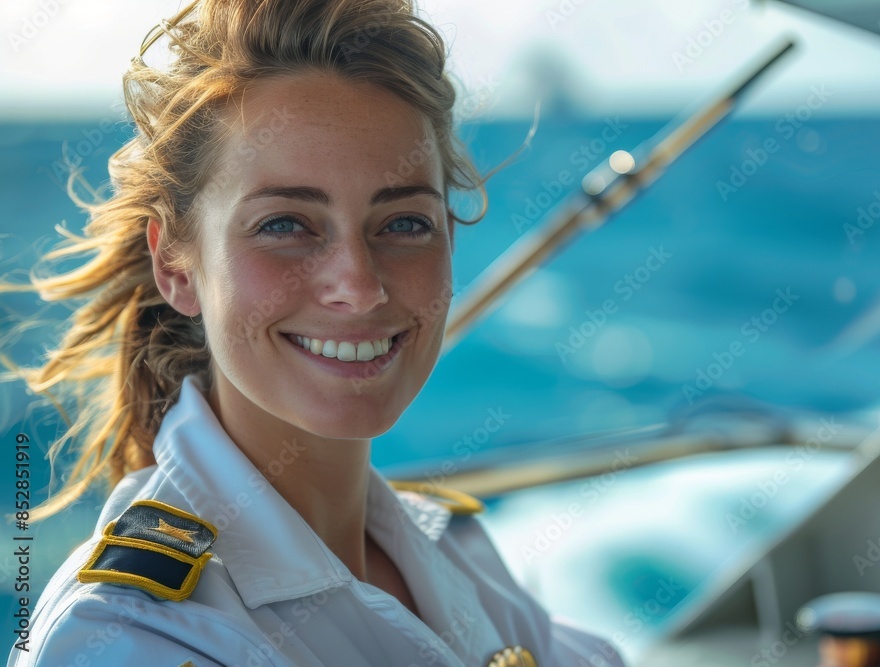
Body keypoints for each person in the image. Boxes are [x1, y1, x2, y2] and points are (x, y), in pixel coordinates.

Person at [3, 1, 625, 665]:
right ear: (175, 265)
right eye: (285, 225)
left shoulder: (452, 547)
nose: (358, 286)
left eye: (404, 224)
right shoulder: (132, 635)